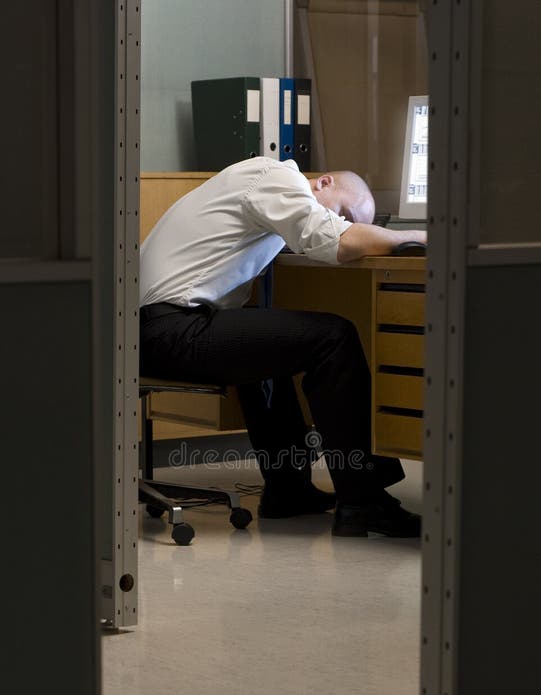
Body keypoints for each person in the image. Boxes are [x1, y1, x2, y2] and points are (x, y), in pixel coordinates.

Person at [139, 156, 426, 537]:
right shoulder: (274, 176)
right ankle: (363, 499)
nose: (344, 223)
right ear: (323, 183)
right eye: (345, 212)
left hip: (152, 330)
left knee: (269, 339)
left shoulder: (260, 192)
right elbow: (337, 240)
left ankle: (288, 489)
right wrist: (424, 236)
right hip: (170, 329)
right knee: (333, 337)